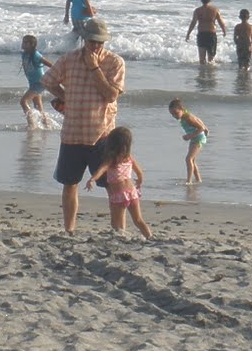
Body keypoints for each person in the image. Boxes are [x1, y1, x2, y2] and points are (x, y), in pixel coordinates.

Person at [40, 16, 126, 234]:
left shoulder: (115, 62)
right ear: (84, 39)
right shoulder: (69, 59)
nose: (96, 46)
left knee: (113, 185)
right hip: (73, 134)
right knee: (70, 184)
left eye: (100, 42)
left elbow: (110, 95)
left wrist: (94, 67)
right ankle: (69, 230)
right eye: (92, 41)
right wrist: (66, 96)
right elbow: (47, 81)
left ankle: (118, 230)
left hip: (103, 134)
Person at [84, 126, 152, 239]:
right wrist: (139, 182)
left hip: (119, 195)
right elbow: (139, 172)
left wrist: (92, 179)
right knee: (138, 220)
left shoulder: (112, 158)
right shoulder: (128, 157)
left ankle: (121, 237)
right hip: (132, 192)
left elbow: (102, 169)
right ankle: (150, 237)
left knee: (116, 223)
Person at [168, 98, 209, 184]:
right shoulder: (185, 115)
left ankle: (189, 181)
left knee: (188, 159)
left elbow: (200, 127)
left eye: (176, 113)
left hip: (198, 138)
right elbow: (198, 119)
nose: (175, 116)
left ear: (182, 109)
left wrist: (190, 136)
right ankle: (198, 179)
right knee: (192, 160)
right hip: (194, 137)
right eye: (172, 114)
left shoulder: (188, 117)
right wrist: (205, 128)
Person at [19, 33, 53, 125]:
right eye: (23, 42)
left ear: (32, 45)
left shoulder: (36, 55)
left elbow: (51, 65)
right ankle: (47, 124)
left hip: (40, 82)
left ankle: (32, 123)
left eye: (26, 42)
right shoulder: (24, 54)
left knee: (23, 101)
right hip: (32, 83)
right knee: (38, 106)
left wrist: (57, 75)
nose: (23, 44)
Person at [186, 0, 226, 65]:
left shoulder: (197, 11)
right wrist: (224, 31)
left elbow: (193, 23)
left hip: (201, 34)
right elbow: (221, 22)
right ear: (210, 0)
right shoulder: (215, 10)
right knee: (211, 59)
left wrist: (188, 33)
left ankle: (202, 74)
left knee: (202, 59)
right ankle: (210, 74)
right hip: (211, 35)